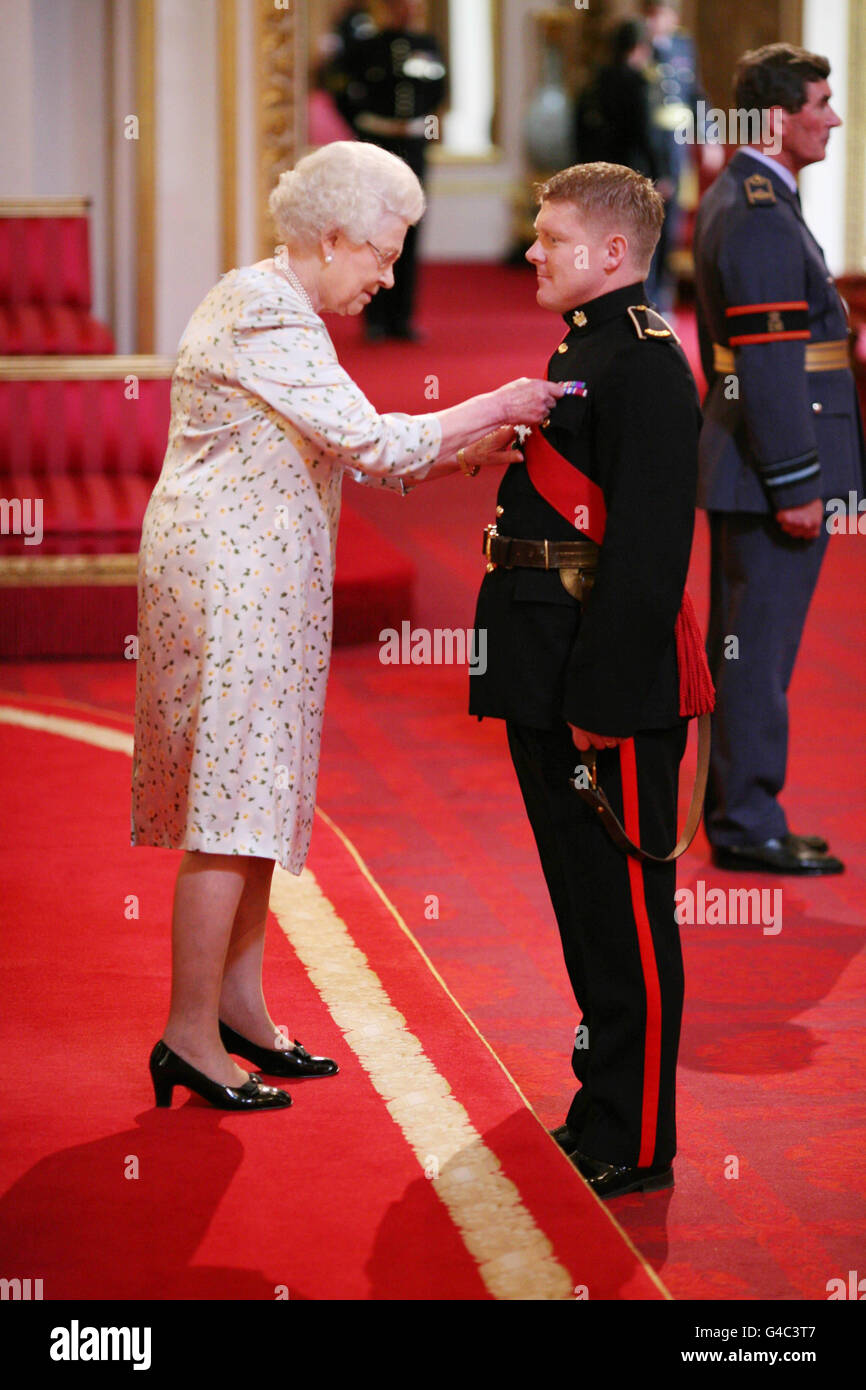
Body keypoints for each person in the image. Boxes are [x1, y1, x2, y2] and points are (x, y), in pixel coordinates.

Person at [132, 140, 562, 1112]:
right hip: (229, 578)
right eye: (381, 249)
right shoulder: (262, 308)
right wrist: (496, 401)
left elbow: (332, 443)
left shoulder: (277, 303)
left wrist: (453, 455)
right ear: (329, 238)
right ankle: (188, 1034)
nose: (389, 272)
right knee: (225, 804)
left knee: (251, 801)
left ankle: (237, 1007)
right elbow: (368, 436)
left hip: (255, 573)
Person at [470, 162, 705, 1198]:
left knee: (626, 917)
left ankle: (637, 1132)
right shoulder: (586, 345)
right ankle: (602, 1102)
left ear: (613, 252)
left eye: (549, 235)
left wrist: (601, 705)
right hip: (550, 668)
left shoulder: (646, 363)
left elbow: (650, 556)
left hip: (607, 690)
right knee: (584, 907)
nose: (531, 248)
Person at [693, 44, 864, 875]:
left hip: (759, 466)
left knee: (756, 650)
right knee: (756, 654)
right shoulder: (759, 207)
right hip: (770, 474)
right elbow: (766, 362)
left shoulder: (758, 194)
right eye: (819, 103)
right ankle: (746, 824)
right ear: (774, 118)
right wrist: (798, 483)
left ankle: (749, 810)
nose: (833, 117)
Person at [326, 0, 445, 342]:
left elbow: (437, 91)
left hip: (413, 144)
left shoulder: (427, 46)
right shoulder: (366, 46)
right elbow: (341, 88)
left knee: (410, 227)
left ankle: (402, 316)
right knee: (373, 227)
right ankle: (375, 317)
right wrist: (361, 124)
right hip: (376, 142)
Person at [641, 0, 719, 309]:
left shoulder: (682, 45)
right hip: (646, 146)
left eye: (668, 14)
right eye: (658, 14)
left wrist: (710, 136)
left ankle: (663, 297)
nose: (664, 20)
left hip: (676, 145)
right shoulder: (640, 43)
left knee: (670, 225)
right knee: (644, 221)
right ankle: (643, 295)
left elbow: (695, 93)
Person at [575, 19, 668, 187]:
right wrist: (659, 174)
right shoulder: (636, 84)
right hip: (630, 171)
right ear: (639, 47)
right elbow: (644, 133)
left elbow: (579, 131)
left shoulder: (595, 81)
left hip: (595, 172)